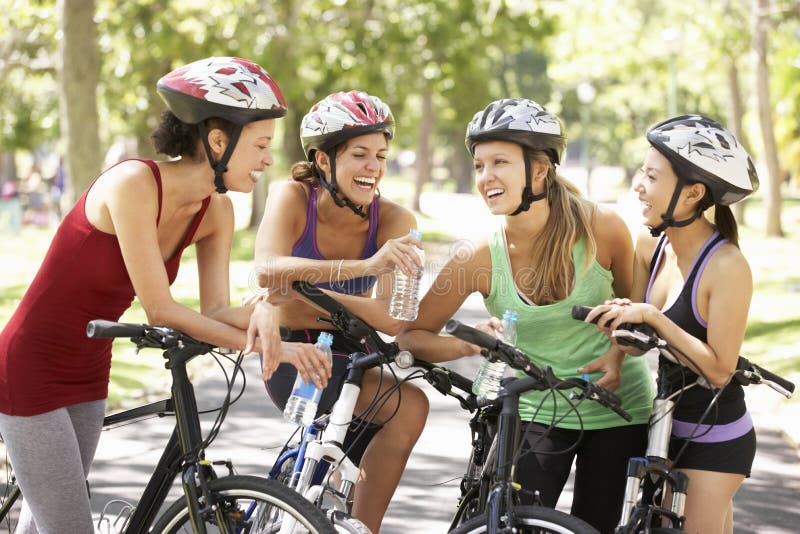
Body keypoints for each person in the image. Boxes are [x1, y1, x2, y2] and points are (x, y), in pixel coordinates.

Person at [0, 57, 330, 534]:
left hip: (90, 367)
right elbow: (161, 309)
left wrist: (265, 314)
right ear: (219, 140)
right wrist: (263, 345)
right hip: (31, 366)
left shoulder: (216, 211)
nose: (266, 160)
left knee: (47, 520)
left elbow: (215, 309)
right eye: (259, 145)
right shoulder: (132, 183)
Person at [397, 98, 654, 533]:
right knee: (510, 525)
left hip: (618, 410)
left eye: (499, 162)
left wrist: (619, 352)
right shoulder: (476, 256)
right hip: (533, 408)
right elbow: (411, 336)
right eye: (479, 165)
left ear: (539, 170)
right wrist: (465, 343)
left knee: (599, 527)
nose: (485, 177)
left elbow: (638, 316)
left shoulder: (603, 228)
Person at [253, 90, 429, 532]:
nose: (374, 167)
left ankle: (360, 527)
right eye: (360, 154)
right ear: (324, 160)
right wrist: (365, 268)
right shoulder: (291, 196)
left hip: (354, 359)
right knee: (400, 408)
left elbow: (391, 318)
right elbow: (267, 271)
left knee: (410, 405)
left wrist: (296, 295)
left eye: (381, 155)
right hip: (294, 359)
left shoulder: (396, 220)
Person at [584, 115, 760, 534]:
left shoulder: (727, 266)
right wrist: (617, 347)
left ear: (693, 193)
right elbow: (642, 337)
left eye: (651, 176)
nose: (638, 185)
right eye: (641, 173)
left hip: (717, 436)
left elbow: (719, 370)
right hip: (665, 427)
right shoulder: (652, 245)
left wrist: (654, 318)